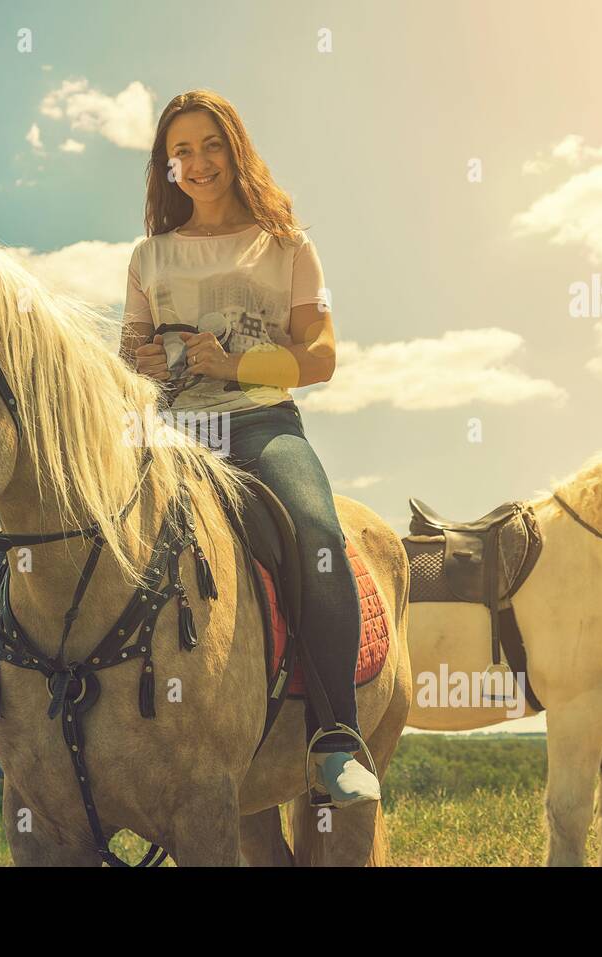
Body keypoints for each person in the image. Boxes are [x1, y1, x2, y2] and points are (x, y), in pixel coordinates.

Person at [119, 89, 380, 808]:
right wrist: (139, 362)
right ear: (166, 168)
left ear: (235, 149)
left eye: (209, 146)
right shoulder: (149, 256)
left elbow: (321, 358)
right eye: (181, 152)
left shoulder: (290, 246)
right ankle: (39, 721)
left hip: (261, 426)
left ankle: (335, 738)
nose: (197, 163)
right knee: (77, 515)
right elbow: (125, 354)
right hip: (171, 432)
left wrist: (231, 365)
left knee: (317, 533)